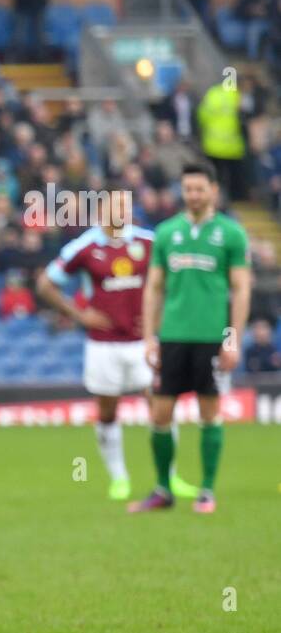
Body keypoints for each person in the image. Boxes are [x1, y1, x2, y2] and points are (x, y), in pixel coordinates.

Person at [37, 191, 196, 501]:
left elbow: (176, 277)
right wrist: (80, 315)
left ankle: (169, 476)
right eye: (117, 204)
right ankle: (119, 477)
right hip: (103, 345)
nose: (123, 210)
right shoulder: (85, 246)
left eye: (126, 204)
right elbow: (46, 284)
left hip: (143, 343)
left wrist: (159, 317)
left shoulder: (148, 241)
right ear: (101, 208)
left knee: (161, 407)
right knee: (108, 410)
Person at [130, 163, 251, 515]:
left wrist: (231, 338)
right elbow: (154, 288)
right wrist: (149, 337)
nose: (193, 195)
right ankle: (163, 489)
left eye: (199, 189)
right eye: (188, 189)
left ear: (213, 190)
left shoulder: (231, 234)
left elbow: (240, 290)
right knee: (160, 414)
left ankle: (207, 490)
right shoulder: (167, 233)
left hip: (211, 337)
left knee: (209, 412)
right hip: (172, 337)